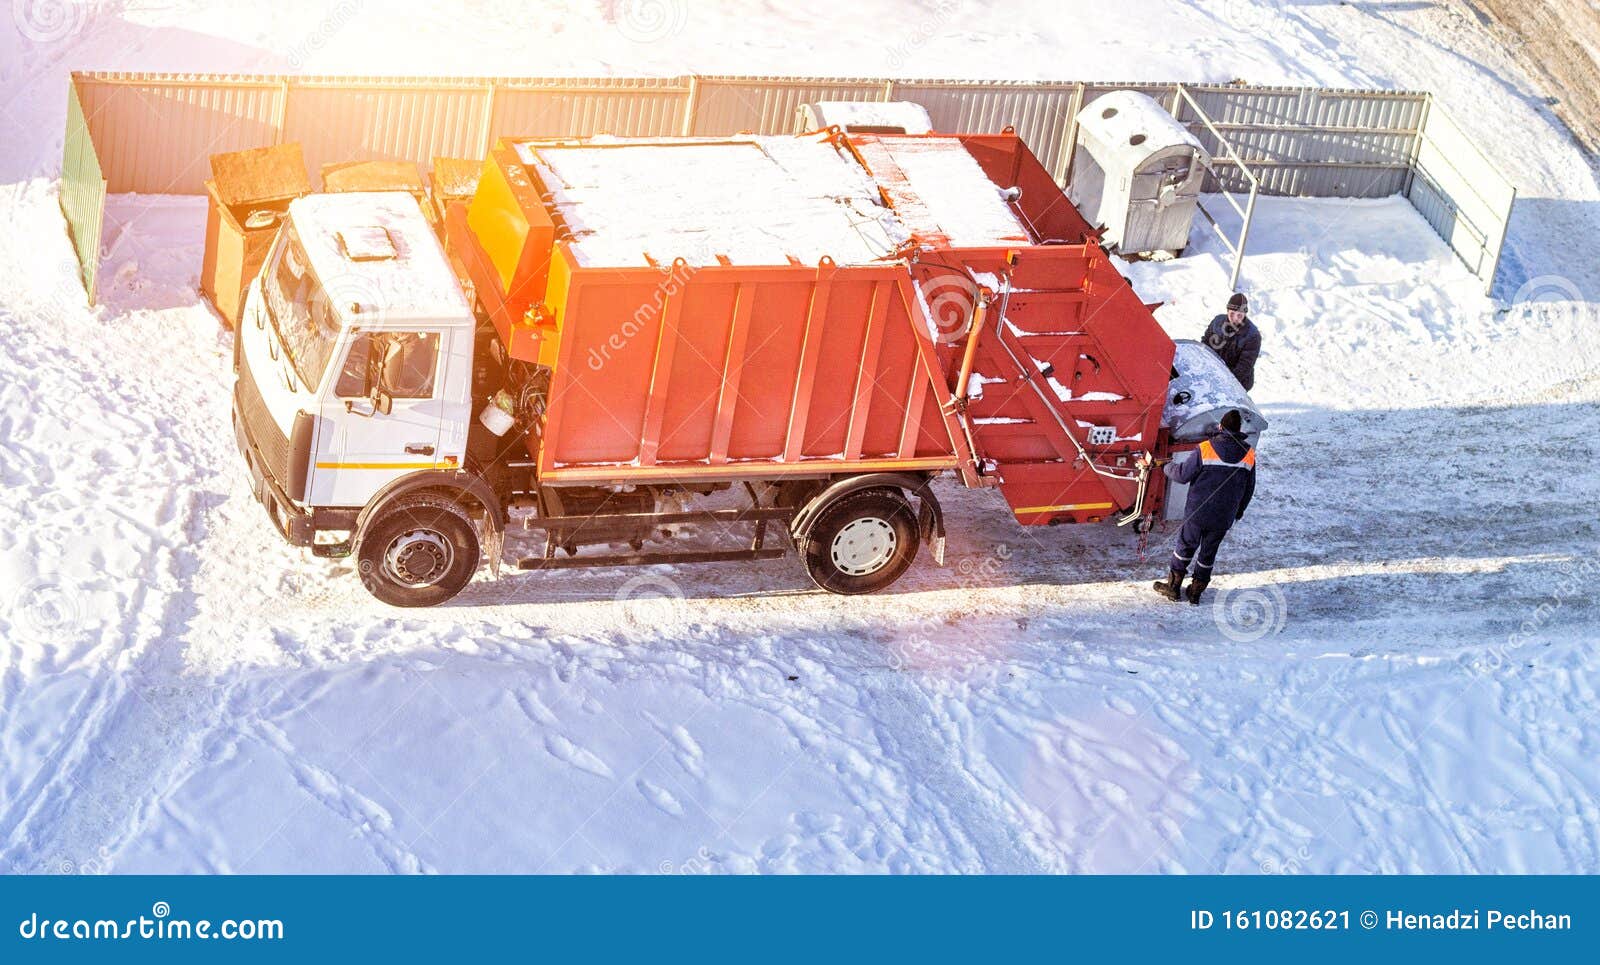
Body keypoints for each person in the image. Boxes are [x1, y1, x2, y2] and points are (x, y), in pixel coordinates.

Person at [1153, 409, 1257, 605]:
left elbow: (1182, 475)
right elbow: (1249, 488)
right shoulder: (1249, 455)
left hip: (1198, 512)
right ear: (1239, 429)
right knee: (1208, 553)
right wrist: (1238, 512)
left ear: (1220, 427)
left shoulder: (1206, 448)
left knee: (1185, 547)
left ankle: (1173, 588)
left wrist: (1165, 466)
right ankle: (1195, 592)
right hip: (1224, 516)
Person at [1202, 293, 1261, 391]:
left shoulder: (1253, 335)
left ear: (1245, 314)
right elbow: (1206, 343)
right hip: (1214, 372)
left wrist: (1226, 383)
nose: (1235, 318)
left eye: (1240, 315)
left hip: (1238, 382)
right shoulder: (1218, 321)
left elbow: (1245, 366)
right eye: (1232, 314)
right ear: (1227, 311)